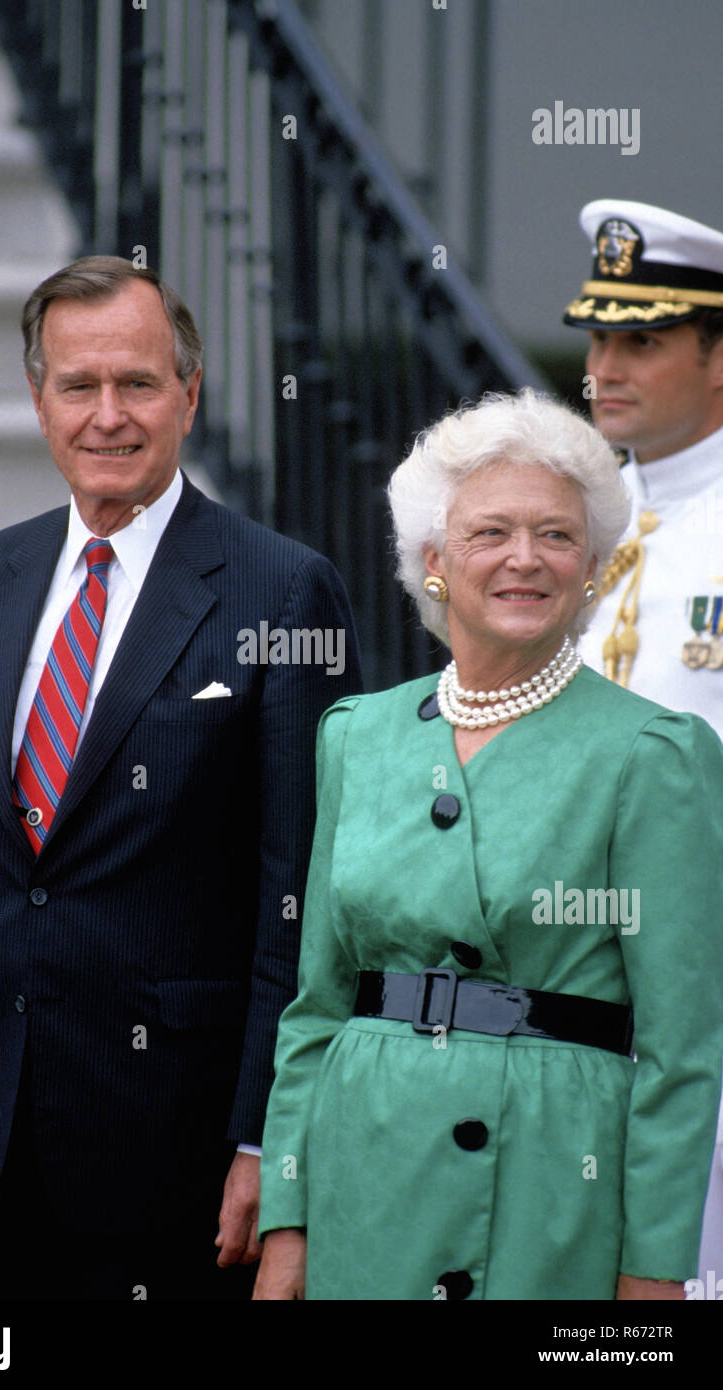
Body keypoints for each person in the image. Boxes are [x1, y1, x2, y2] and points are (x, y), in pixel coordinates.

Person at [0, 255, 362, 1300]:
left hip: (178, 1161)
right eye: (78, 385)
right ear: (39, 400)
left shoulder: (282, 586)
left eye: (136, 382)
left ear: (190, 391)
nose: (108, 415)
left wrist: (272, 1144)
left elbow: (303, 901)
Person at [252, 389, 723, 1301]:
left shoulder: (654, 755)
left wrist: (655, 1272)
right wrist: (288, 1220)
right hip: (369, 1186)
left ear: (593, 568)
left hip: (554, 1199)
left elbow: (682, 1049)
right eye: (491, 533)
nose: (525, 559)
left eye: (556, 536)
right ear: (434, 562)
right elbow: (315, 1008)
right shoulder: (357, 735)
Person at [563, 199, 723, 1283]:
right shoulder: (578, 521)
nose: (605, 367)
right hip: (579, 961)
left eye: (644, 340)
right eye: (598, 336)